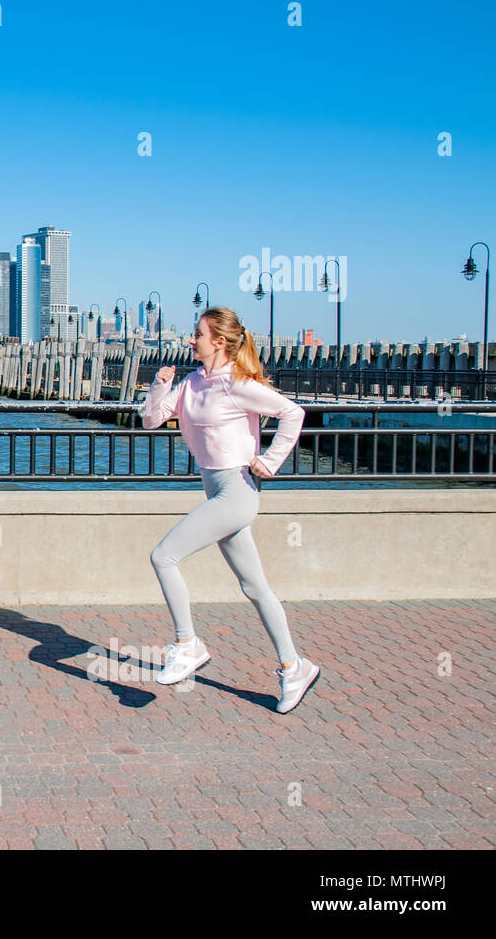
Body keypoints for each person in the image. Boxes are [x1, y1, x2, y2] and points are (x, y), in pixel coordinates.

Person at [140, 306, 319, 713]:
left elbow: (293, 413)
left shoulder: (237, 384)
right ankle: (295, 667)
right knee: (255, 587)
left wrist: (271, 460)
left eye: (198, 334)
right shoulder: (190, 383)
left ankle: (188, 644)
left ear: (218, 342)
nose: (191, 340)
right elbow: (151, 421)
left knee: (163, 556)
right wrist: (158, 385)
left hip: (236, 491)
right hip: (215, 490)